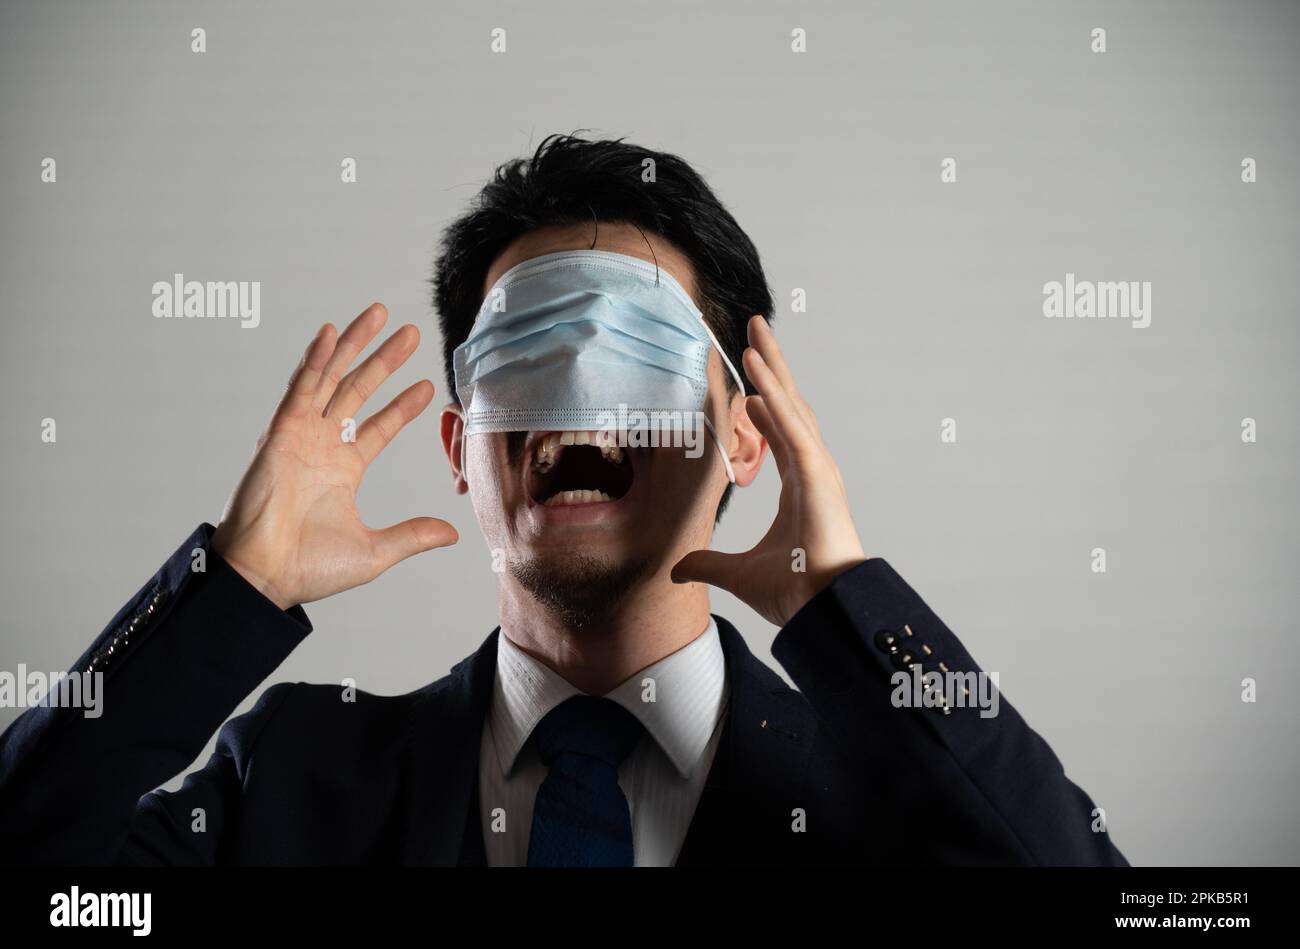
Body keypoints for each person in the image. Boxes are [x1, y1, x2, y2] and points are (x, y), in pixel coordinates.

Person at [0, 134, 1127, 866]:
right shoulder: (291, 780)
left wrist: (847, 608)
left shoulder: (890, 788)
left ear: (746, 432)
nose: (578, 395)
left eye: (636, 347)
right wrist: (225, 595)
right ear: (461, 444)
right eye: (523, 352)